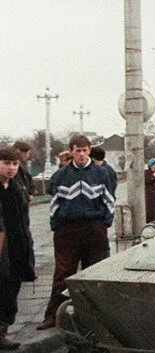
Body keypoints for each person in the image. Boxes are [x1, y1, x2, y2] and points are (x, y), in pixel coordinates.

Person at [38, 135, 114, 330]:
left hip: (94, 227)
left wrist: (104, 223)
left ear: (89, 151)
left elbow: (109, 201)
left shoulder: (100, 173)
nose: (81, 154)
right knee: (63, 272)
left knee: (93, 272)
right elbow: (54, 203)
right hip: (67, 229)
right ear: (70, 151)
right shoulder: (61, 175)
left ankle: (94, 317)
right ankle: (53, 315)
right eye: (77, 150)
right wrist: (56, 225)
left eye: (84, 150)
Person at [0, 147, 35, 349]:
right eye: (6, 163)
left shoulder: (16, 186)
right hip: (2, 245)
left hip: (17, 245)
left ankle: (2, 330)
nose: (11, 168)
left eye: (14, 164)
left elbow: (22, 216)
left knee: (11, 288)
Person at [12, 141, 34, 205]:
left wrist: (29, 194)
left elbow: (31, 182)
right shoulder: (14, 170)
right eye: (28, 153)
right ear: (22, 153)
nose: (28, 156)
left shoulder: (22, 169)